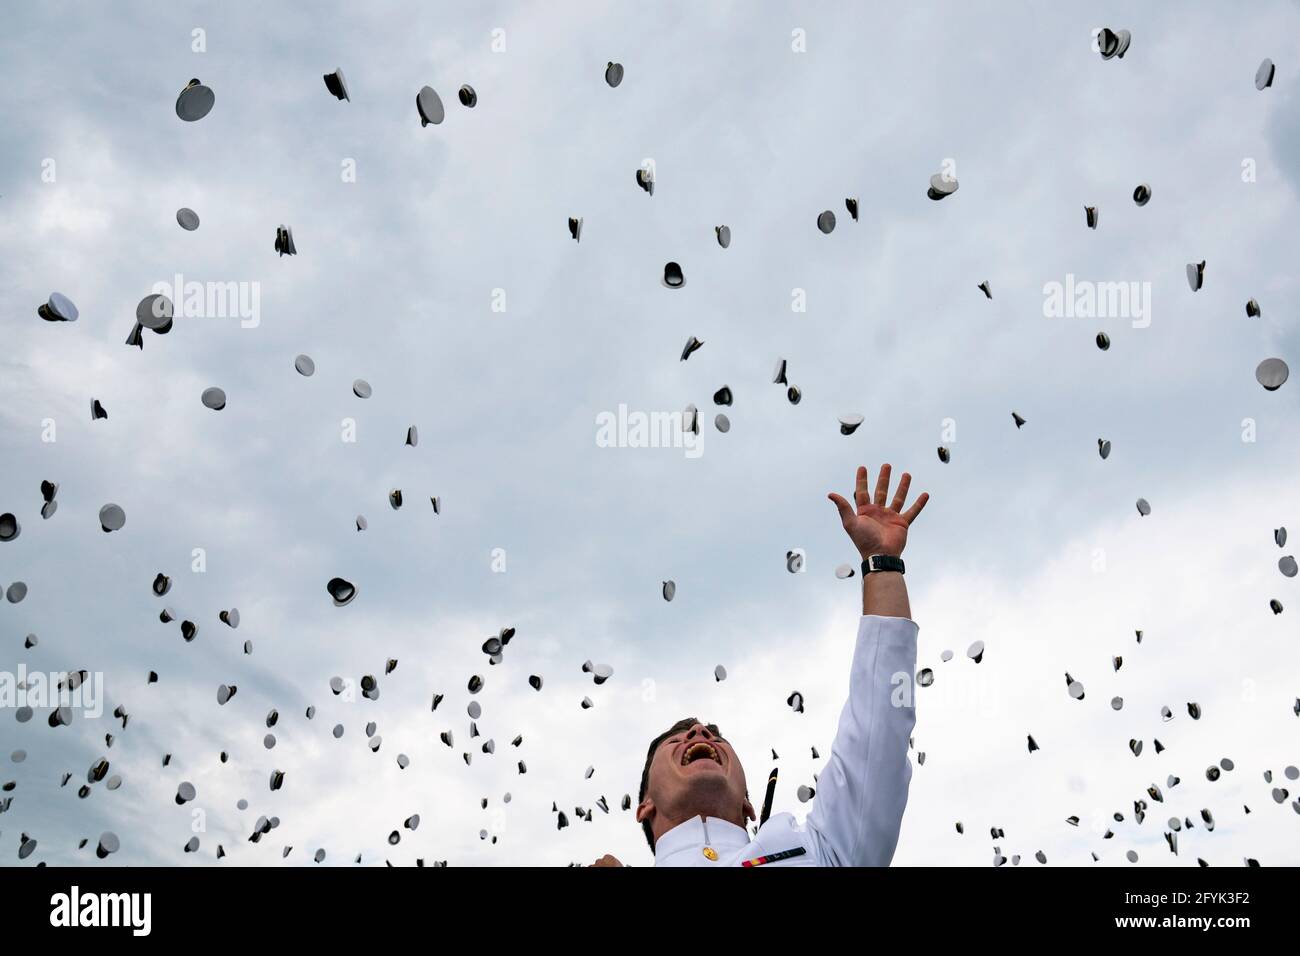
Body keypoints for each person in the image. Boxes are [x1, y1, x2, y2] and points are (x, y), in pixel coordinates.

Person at [591, 463, 928, 867]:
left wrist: (881, 564)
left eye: (713, 735)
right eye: (677, 738)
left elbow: (880, 733)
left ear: (750, 804)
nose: (700, 732)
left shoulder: (822, 850)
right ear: (644, 805)